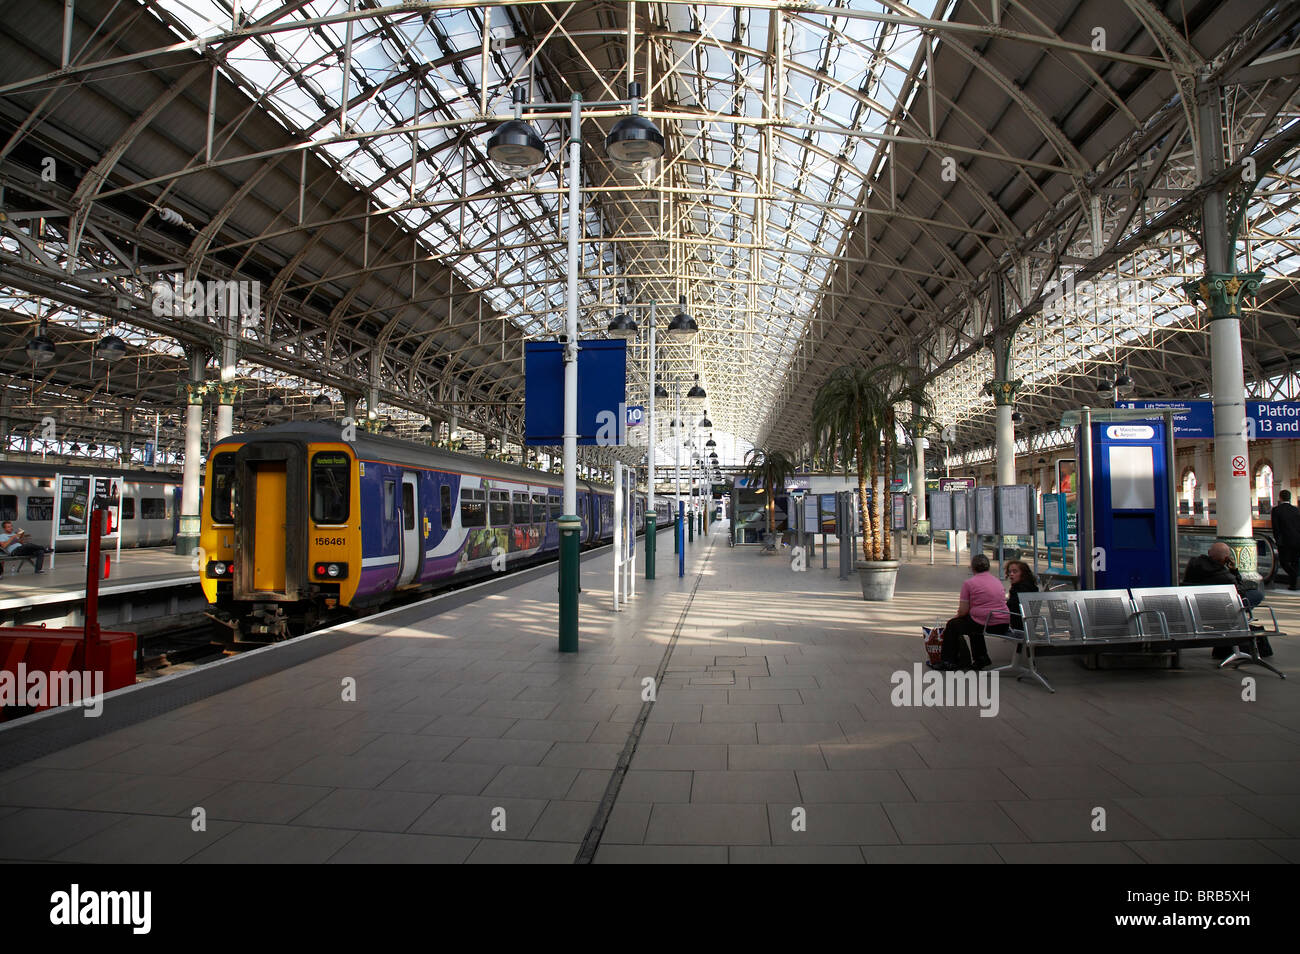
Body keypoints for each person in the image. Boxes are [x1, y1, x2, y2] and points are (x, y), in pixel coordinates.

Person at [1183, 541, 1270, 658]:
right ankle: (1237, 620)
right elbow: (1239, 591)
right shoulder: (1225, 576)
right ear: (1226, 558)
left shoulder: (1193, 565)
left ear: (1209, 553)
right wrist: (1234, 571)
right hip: (1219, 611)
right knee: (1257, 595)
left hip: (1199, 609)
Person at [937, 554, 1008, 670]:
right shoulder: (996, 581)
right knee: (972, 623)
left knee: (953, 625)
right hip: (1003, 623)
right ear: (988, 567)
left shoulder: (969, 583)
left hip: (987, 623)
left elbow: (963, 611)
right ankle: (981, 658)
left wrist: (954, 617)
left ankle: (948, 661)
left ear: (972, 567)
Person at [1271, 489, 1300, 590]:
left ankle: (1294, 576)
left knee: (1284, 561)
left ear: (1280, 497)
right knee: (1295, 561)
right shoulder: (1296, 509)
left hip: (1284, 541)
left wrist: (1277, 539)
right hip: (1297, 540)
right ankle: (1293, 584)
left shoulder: (1276, 510)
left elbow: (1276, 527)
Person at [1005, 560, 1039, 630]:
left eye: (1015, 572)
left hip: (1018, 622)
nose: (1011, 574)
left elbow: (1011, 606)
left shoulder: (1019, 589)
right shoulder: (1031, 586)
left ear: (1023, 574)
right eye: (1009, 571)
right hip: (1026, 621)